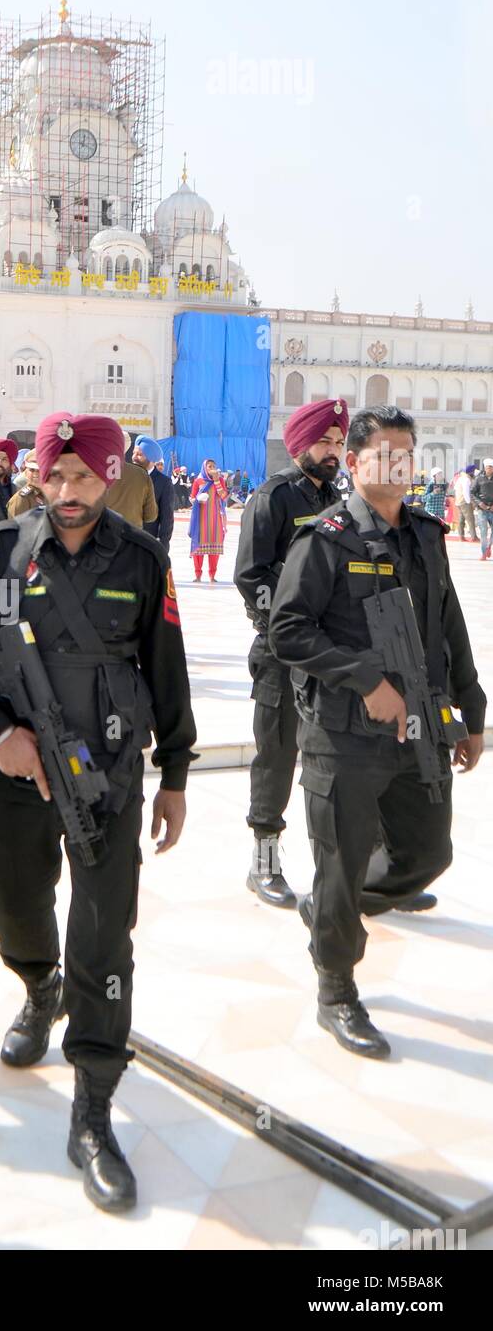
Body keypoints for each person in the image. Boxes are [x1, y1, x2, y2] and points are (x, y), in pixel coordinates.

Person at [0, 411, 197, 1212]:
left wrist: (175, 773)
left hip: (110, 774)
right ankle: (34, 984)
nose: (70, 491)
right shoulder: (2, 553)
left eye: (84, 476)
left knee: (101, 933)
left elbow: (166, 668)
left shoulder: (142, 559)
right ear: (37, 477)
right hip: (19, 770)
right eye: (56, 477)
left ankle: (91, 1100)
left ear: (110, 474)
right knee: (10, 895)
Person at [268, 406, 485, 1057]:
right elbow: (287, 629)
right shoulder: (324, 538)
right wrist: (363, 678)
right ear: (355, 462)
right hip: (343, 735)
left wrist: (470, 712)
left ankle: (334, 903)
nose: (395, 466)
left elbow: (447, 623)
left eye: (405, 454)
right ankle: (335, 986)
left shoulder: (424, 533)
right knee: (340, 862)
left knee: (425, 855)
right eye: (381, 454)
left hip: (419, 723)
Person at [234, 399, 348, 907]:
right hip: (283, 653)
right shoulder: (273, 497)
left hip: (334, 653)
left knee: (340, 760)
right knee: (278, 757)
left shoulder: (342, 501)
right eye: (325, 441)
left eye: (341, 443)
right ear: (301, 443)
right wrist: (291, 618)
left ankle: (350, 863)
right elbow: (252, 574)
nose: (333, 452)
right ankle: (264, 863)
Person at [103, 434, 158, 530]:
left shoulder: (93, 471)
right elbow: (151, 516)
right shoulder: (141, 474)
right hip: (131, 537)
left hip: (102, 535)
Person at [188, 459, 229, 580]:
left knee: (214, 549)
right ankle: (198, 574)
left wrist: (216, 481)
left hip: (215, 519)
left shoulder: (220, 479)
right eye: (209, 466)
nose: (211, 468)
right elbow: (192, 497)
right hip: (200, 519)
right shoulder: (198, 480)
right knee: (199, 548)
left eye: (213, 466)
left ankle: (212, 575)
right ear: (204, 468)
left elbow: (224, 496)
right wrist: (198, 499)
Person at [132, 436, 174, 550]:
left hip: (148, 543)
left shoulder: (164, 482)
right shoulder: (127, 477)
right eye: (134, 453)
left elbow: (167, 518)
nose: (134, 458)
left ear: (151, 459)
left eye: (139, 455)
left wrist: (163, 547)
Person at [6, 450, 45, 517]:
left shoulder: (49, 495)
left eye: (40, 470)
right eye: (32, 470)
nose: (36, 474)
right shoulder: (21, 499)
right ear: (26, 473)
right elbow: (15, 526)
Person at [472, 457, 493, 560]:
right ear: (485, 468)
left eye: (492, 467)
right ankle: (484, 553)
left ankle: (489, 546)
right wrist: (480, 503)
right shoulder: (479, 479)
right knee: (483, 532)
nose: (490, 469)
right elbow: (472, 493)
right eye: (489, 467)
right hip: (482, 510)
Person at [452, 464, 478, 543]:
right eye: (473, 472)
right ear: (471, 472)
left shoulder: (461, 478)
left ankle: (461, 537)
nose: (474, 473)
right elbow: (466, 492)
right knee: (470, 519)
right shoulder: (466, 479)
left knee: (461, 520)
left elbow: (455, 488)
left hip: (459, 501)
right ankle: (474, 537)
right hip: (465, 502)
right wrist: (469, 502)